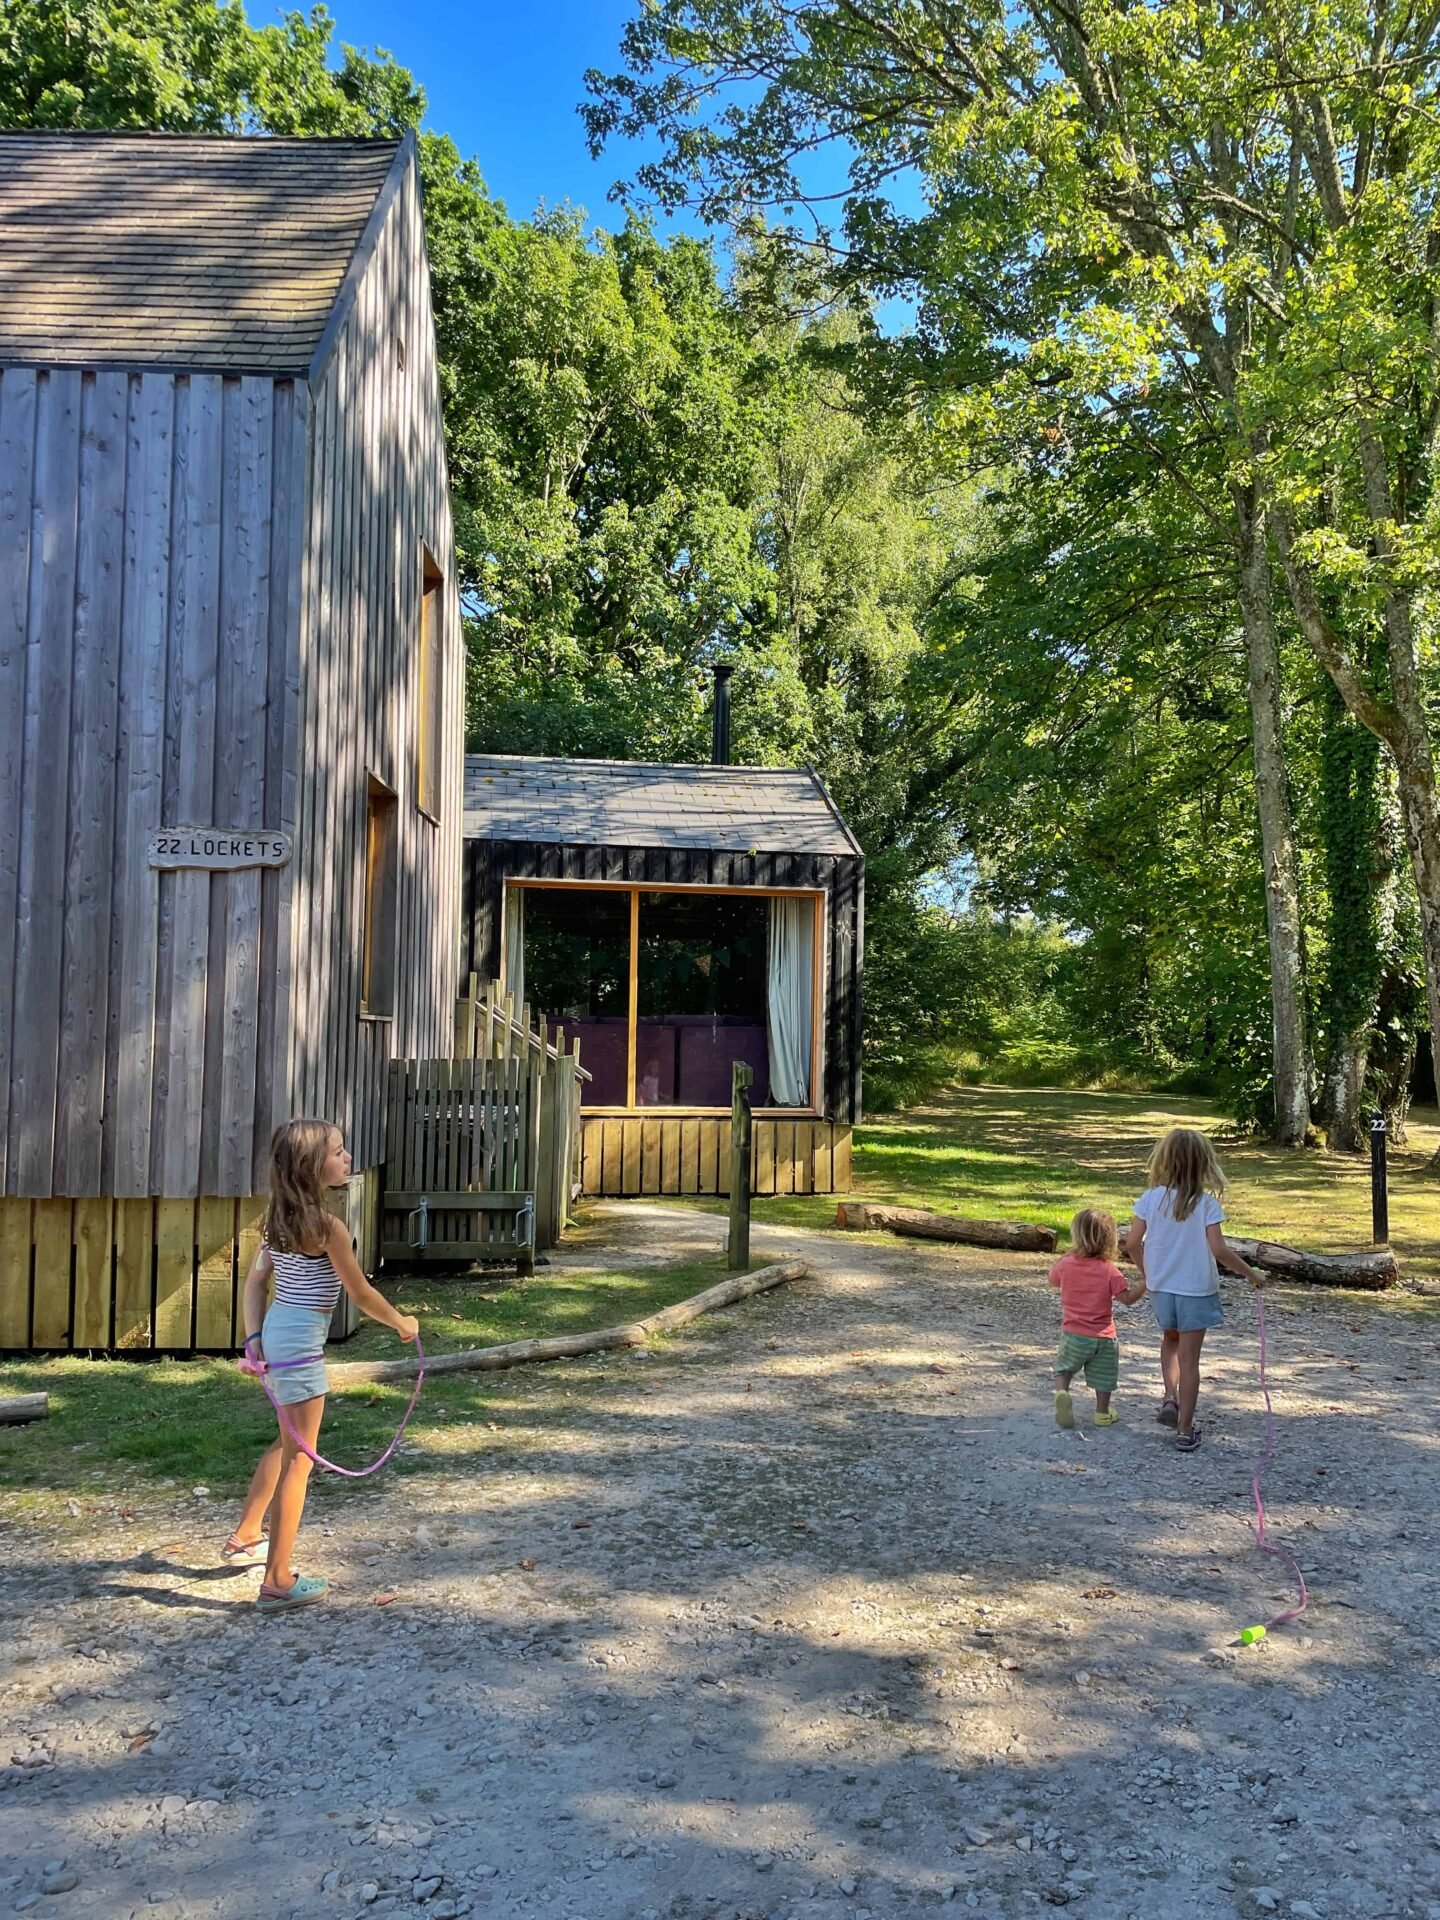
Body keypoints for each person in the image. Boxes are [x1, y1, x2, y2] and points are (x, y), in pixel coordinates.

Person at [221, 1119, 419, 1610]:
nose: (347, 1157)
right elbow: (360, 1292)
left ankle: (247, 1533)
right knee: (300, 1461)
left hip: (279, 1331)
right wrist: (402, 1322)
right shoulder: (326, 1227)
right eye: (338, 1151)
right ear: (313, 1167)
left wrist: (253, 1339)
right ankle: (278, 1581)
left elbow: (254, 1285)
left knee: (288, 1443)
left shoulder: (278, 1217)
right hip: (299, 1343)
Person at [1129, 1127, 1263, 1453]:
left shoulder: (1150, 1199)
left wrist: (1149, 1274)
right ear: (1204, 1164)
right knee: (1190, 1360)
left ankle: (1169, 1397)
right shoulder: (1205, 1204)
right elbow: (1219, 1250)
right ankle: (1185, 1430)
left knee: (1169, 1339)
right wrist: (1251, 1274)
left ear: (1163, 1160)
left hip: (1162, 1289)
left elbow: (1132, 1243)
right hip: (1196, 1291)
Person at [1049, 1208, 1146, 1428]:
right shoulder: (1109, 1270)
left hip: (1073, 1334)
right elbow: (1127, 1299)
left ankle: (1062, 1392)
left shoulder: (1065, 1264)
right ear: (1109, 1240)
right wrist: (1145, 1284)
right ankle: (1102, 1413)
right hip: (1104, 1337)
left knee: (1064, 1369)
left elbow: (1053, 1280)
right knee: (1104, 1377)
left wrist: (1063, 1260)